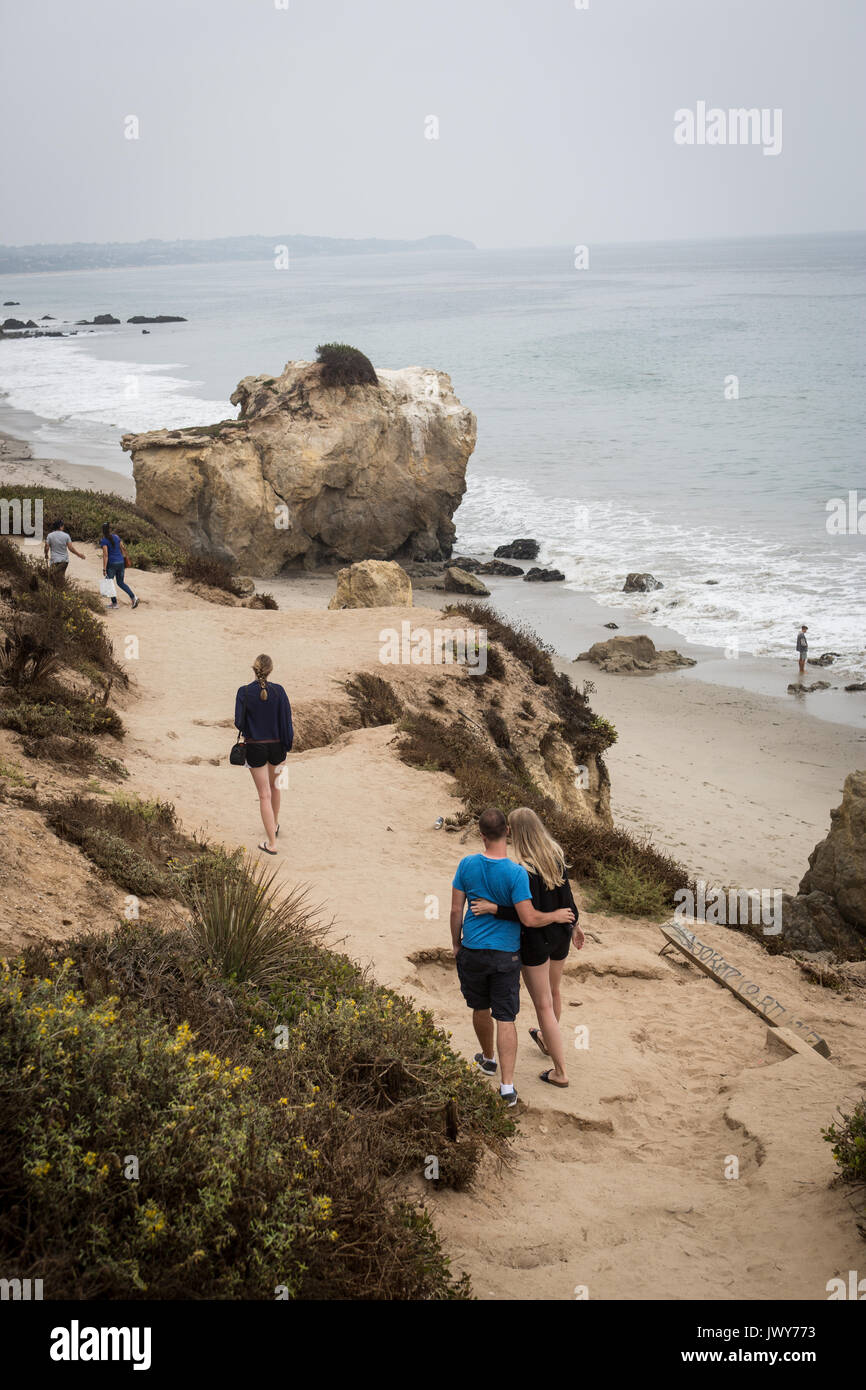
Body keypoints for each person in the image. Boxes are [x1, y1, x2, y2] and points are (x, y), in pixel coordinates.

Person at [450, 806, 576, 1107]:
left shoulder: (479, 866)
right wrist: (570, 922)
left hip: (501, 947)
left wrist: (461, 939)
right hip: (535, 946)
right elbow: (549, 908)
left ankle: (500, 1061)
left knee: (493, 1007)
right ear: (506, 832)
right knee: (525, 1009)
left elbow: (460, 910)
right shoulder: (538, 864)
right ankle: (513, 1080)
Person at [234, 654, 294, 855]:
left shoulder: (244, 692)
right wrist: (286, 746)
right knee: (275, 788)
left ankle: (271, 844)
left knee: (264, 795)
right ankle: (274, 826)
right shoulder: (280, 691)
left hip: (256, 747)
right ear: (271, 670)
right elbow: (287, 720)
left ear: (254, 669)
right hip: (278, 746)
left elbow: (239, 723)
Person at [100, 522, 139, 609]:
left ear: (103, 531)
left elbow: (105, 555)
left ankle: (114, 604)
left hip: (112, 564)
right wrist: (125, 558)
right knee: (120, 582)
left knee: (109, 583)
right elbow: (123, 548)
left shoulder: (104, 540)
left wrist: (104, 569)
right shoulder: (116, 537)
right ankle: (133, 597)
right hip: (121, 562)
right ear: (110, 529)